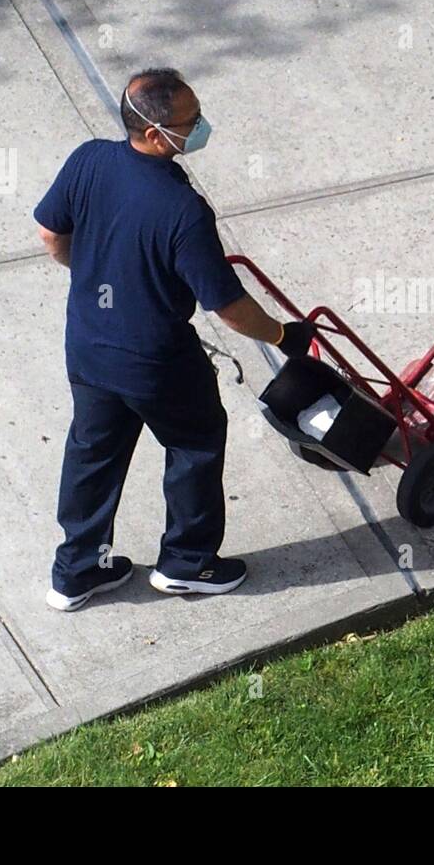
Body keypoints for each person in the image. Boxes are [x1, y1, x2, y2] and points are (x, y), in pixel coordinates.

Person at [33, 67, 314, 611]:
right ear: (158, 136)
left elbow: (50, 233)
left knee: (94, 453)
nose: (202, 126)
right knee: (195, 442)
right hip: (157, 362)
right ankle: (188, 564)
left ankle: (76, 571)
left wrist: (95, 274)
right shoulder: (182, 209)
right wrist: (283, 334)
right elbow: (228, 307)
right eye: (192, 122)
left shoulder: (89, 159)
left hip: (88, 347)